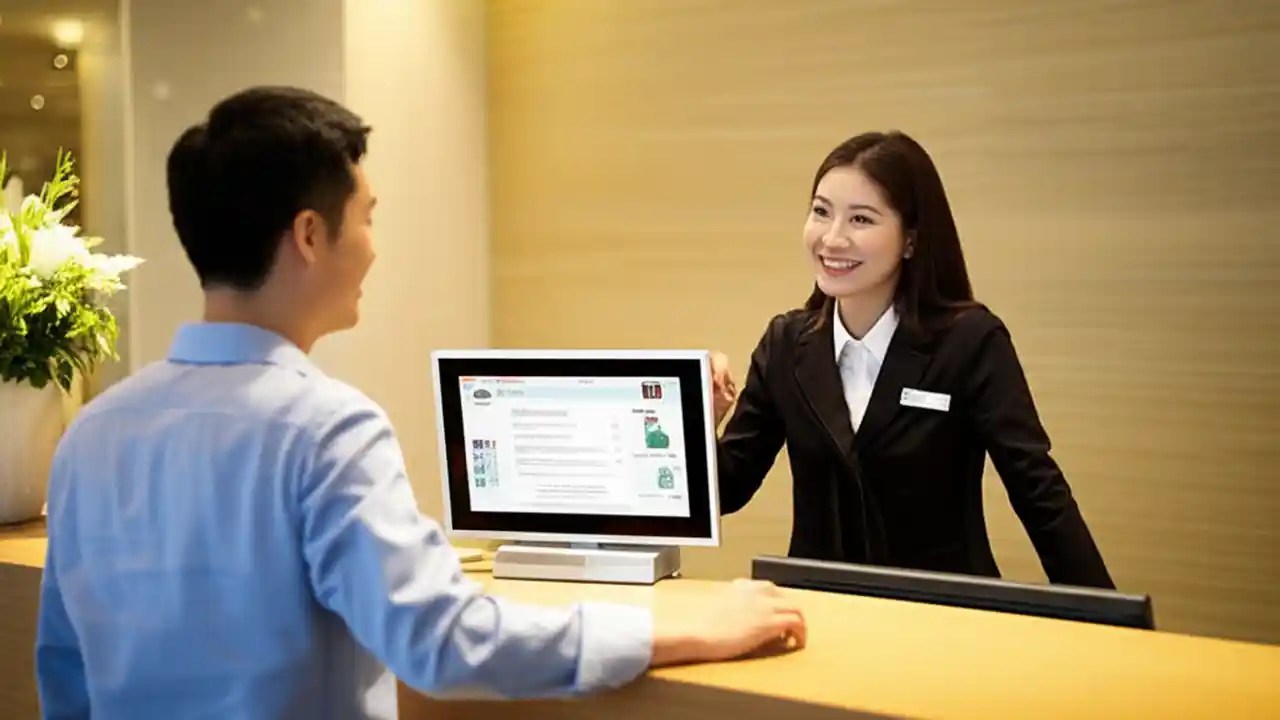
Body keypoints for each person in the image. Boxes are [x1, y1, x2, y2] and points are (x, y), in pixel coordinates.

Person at [34, 86, 806, 720]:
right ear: (310, 234)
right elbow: (441, 639)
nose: (372, 244)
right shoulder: (323, 428)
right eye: (367, 216)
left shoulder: (94, 432)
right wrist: (683, 628)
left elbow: (65, 673)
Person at [709, 131, 1114, 589]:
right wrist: (698, 423)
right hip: (819, 617)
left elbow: (1038, 492)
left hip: (941, 617)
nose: (832, 238)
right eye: (821, 212)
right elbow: (727, 489)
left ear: (911, 240)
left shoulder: (969, 341)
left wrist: (1107, 619)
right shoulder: (786, 344)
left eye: (861, 219)